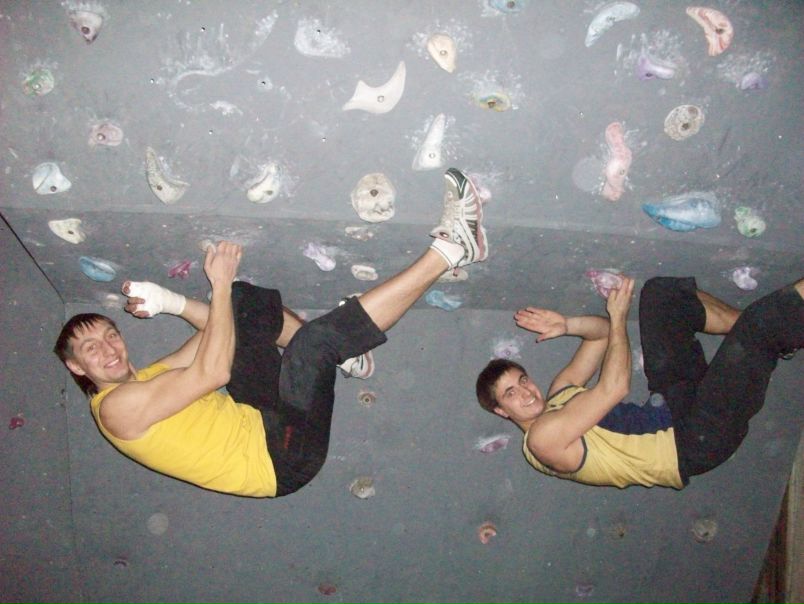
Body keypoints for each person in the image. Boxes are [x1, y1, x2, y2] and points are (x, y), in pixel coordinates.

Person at [55, 168, 488, 497]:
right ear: (76, 366)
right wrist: (218, 283)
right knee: (311, 346)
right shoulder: (115, 409)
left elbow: (217, 333)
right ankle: (454, 248)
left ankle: (349, 352)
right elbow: (212, 373)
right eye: (90, 348)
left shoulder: (146, 381)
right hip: (278, 458)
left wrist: (171, 301)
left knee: (243, 306)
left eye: (109, 335)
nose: (108, 348)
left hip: (258, 414)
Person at [475, 275, 803, 489]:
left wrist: (568, 325)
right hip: (690, 442)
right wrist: (619, 316)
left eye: (522, 380)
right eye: (510, 393)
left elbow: (601, 334)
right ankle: (773, 327)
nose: (525, 392)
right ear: (501, 411)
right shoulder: (541, 441)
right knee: (760, 326)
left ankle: (778, 328)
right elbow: (615, 387)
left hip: (673, 404)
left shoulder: (559, 395)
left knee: (662, 298)